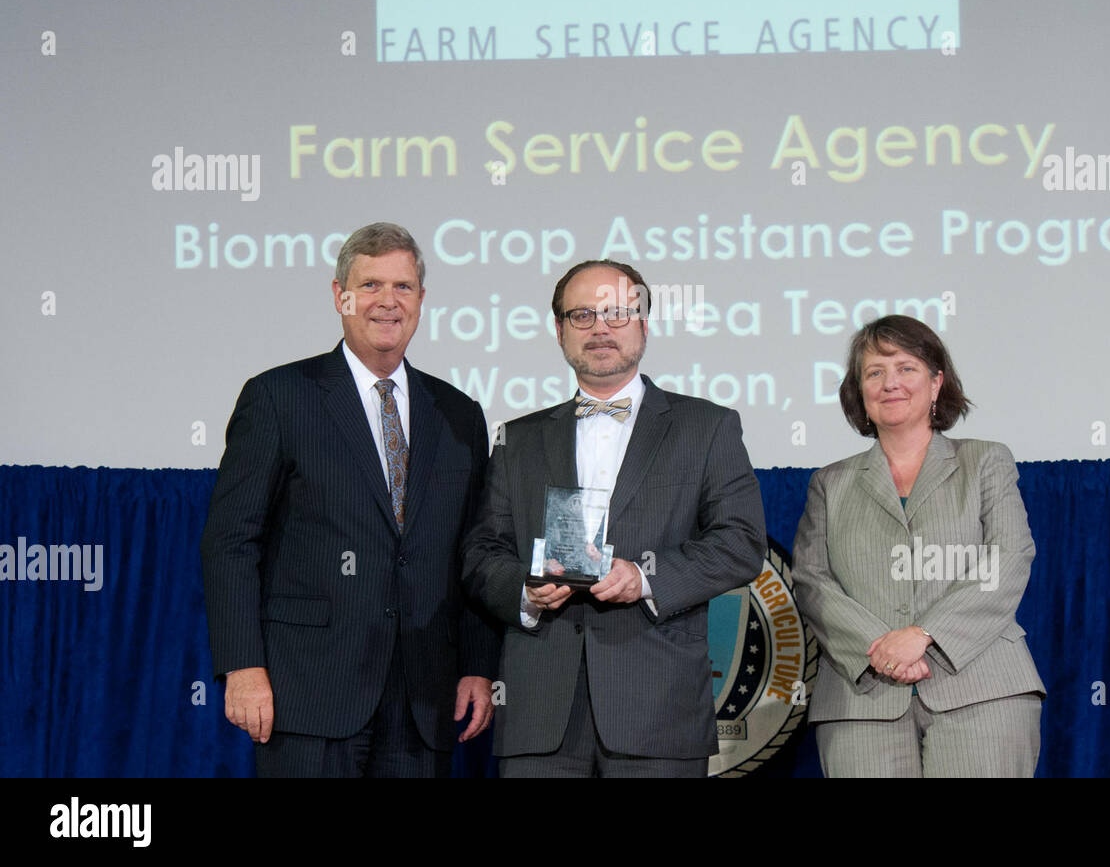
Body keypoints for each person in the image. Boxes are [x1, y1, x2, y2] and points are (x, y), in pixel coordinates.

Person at [200, 222, 499, 777]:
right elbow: (230, 542)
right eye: (370, 285)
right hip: (308, 691)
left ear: (422, 301)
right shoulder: (278, 396)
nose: (387, 301)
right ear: (340, 297)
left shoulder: (459, 414)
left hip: (424, 698)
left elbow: (474, 552)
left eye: (403, 287)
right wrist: (242, 665)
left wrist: (478, 666)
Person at [462, 260, 767, 777]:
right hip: (540, 714)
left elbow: (740, 542)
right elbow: (481, 552)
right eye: (582, 315)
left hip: (657, 710)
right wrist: (525, 592)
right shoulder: (517, 439)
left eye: (618, 313)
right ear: (558, 331)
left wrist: (644, 578)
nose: (600, 328)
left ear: (645, 324)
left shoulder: (707, 427)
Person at [791, 315, 1045, 777]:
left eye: (906, 368)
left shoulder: (986, 460)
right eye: (874, 372)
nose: (891, 383)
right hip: (861, 699)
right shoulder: (830, 483)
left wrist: (924, 636)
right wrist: (880, 647)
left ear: (936, 384)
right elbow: (812, 582)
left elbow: (1008, 558)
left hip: (982, 689)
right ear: (859, 393)